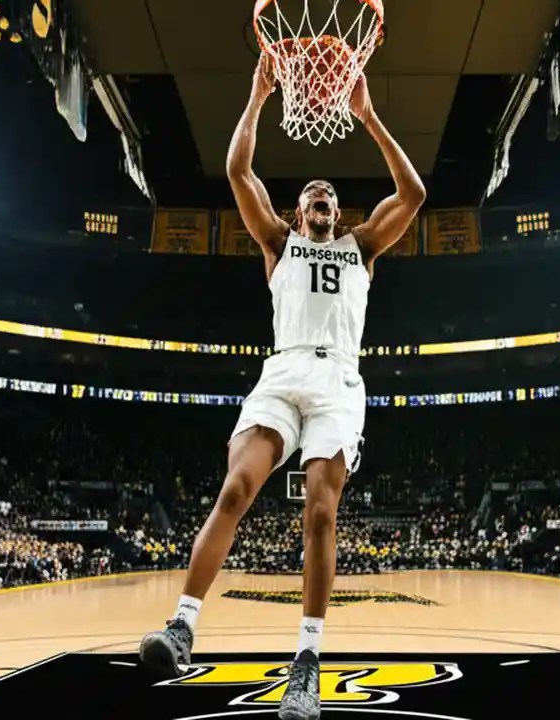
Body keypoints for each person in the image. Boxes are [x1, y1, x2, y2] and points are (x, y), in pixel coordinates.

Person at [138, 54, 425, 720]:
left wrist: (369, 116)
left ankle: (307, 661)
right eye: (310, 198)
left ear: (336, 212)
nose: (320, 201)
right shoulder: (277, 243)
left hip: (337, 381)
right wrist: (258, 93)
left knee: (320, 512)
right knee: (236, 488)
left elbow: (412, 196)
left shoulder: (362, 247)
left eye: (328, 198)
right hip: (283, 368)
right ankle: (182, 625)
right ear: (298, 215)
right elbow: (239, 171)